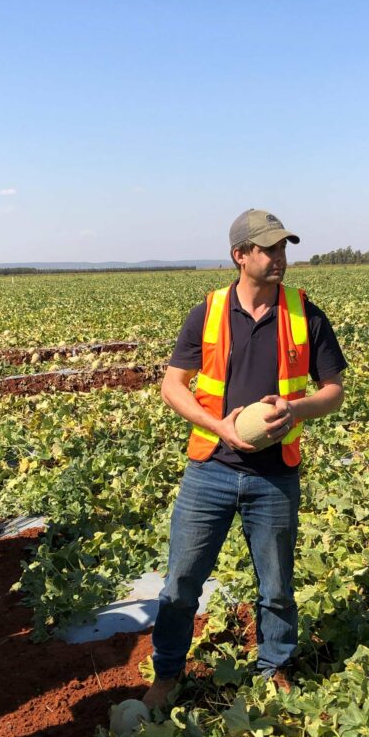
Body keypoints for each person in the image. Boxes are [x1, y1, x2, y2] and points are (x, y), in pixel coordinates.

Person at [144, 210, 347, 710]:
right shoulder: (207, 313)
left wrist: (296, 408)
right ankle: (167, 676)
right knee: (181, 582)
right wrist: (220, 426)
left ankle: (273, 668)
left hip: (275, 476)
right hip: (210, 469)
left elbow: (335, 391)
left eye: (283, 248)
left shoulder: (306, 313)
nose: (280, 258)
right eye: (269, 249)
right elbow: (173, 385)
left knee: (277, 585)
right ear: (240, 255)